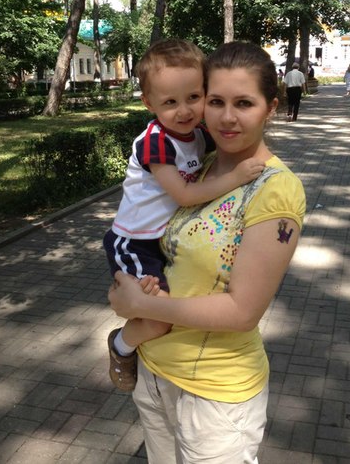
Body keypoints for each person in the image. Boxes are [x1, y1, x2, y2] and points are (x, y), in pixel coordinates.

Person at [109, 41, 306, 464]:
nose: (226, 117)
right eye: (216, 101)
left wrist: (141, 305)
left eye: (244, 103)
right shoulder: (200, 166)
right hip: (154, 373)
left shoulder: (275, 190)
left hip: (215, 396)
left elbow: (242, 312)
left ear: (271, 107)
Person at [103, 39, 265, 392]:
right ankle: (121, 346)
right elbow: (185, 195)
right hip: (135, 242)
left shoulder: (198, 135)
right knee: (158, 318)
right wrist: (237, 177)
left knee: (163, 307)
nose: (184, 111)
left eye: (194, 97)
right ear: (149, 104)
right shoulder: (156, 142)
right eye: (170, 102)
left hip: (163, 238)